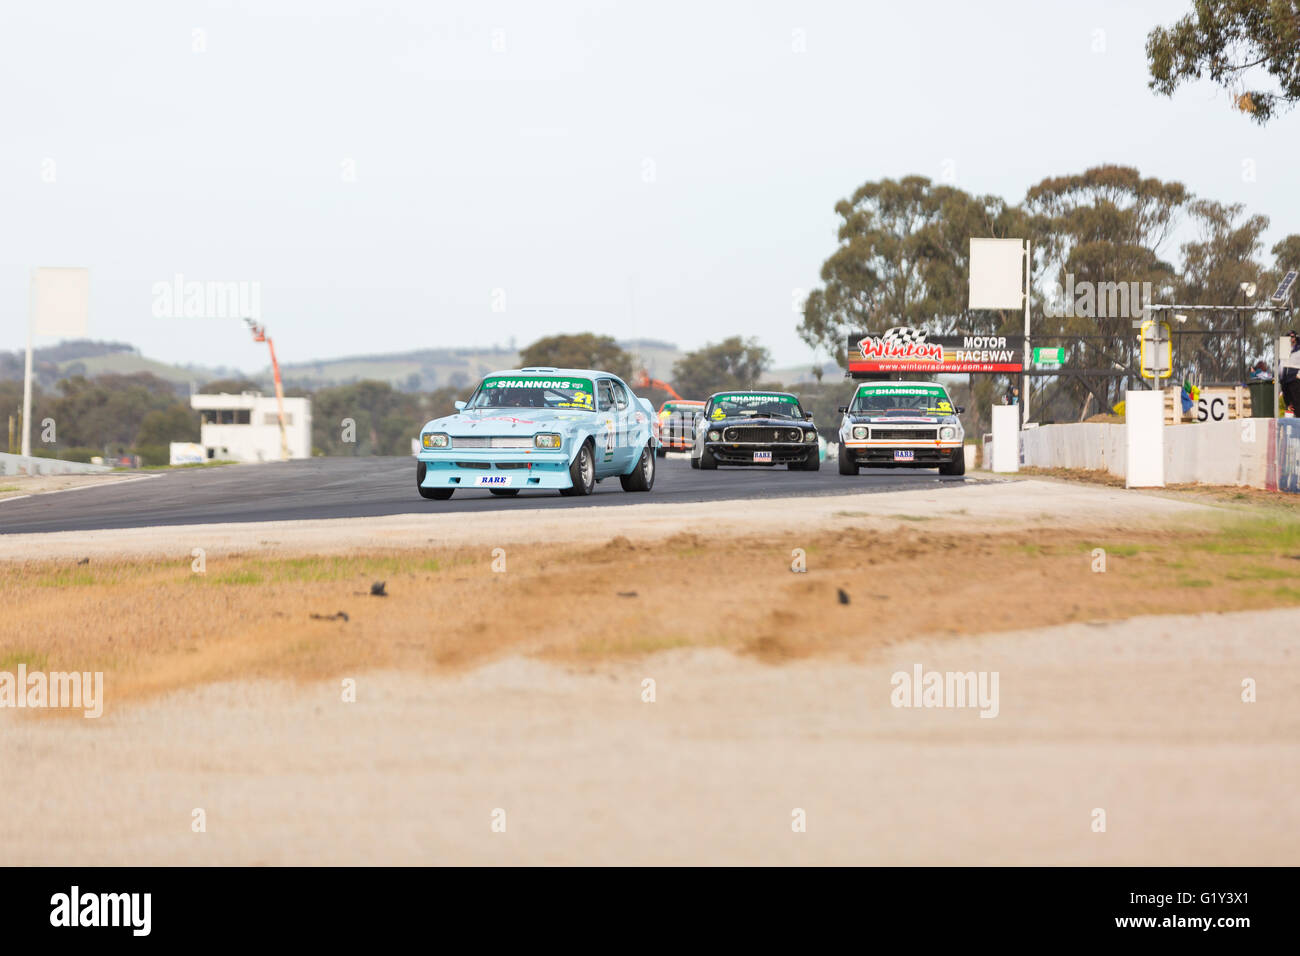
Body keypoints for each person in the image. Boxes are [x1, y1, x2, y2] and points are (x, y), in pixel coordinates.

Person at [1281, 332, 1300, 415]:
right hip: (1285, 378)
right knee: (1288, 403)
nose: (1290, 338)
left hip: (1294, 378)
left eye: (1292, 336)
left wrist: (1298, 375)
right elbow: (1281, 363)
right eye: (1288, 337)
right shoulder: (1284, 349)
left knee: (1297, 401)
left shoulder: (1299, 349)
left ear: (1295, 338)